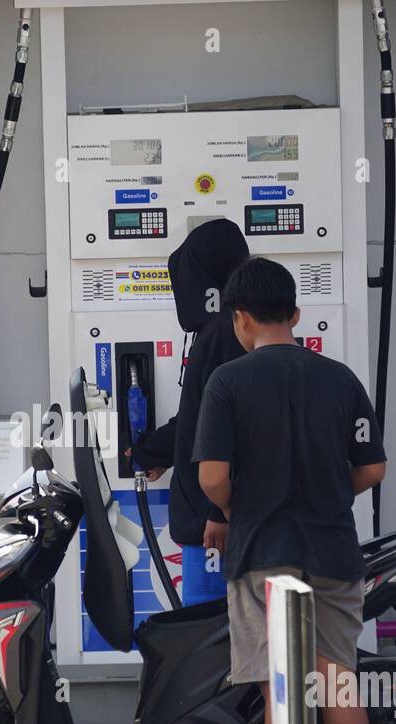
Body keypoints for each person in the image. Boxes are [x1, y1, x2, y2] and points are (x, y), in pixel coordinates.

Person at [192, 257, 388, 724]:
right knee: (338, 683)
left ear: (241, 319)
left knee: (283, 687)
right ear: (296, 315)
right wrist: (325, 492)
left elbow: (212, 477)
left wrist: (238, 510)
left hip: (264, 555)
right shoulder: (340, 378)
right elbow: (372, 468)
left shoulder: (227, 382)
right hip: (333, 549)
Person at [129, 218, 249, 605]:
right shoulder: (229, 329)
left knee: (210, 639)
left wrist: (218, 511)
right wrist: (159, 452)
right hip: (212, 517)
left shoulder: (221, 334)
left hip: (211, 523)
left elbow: (222, 425)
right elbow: (201, 416)